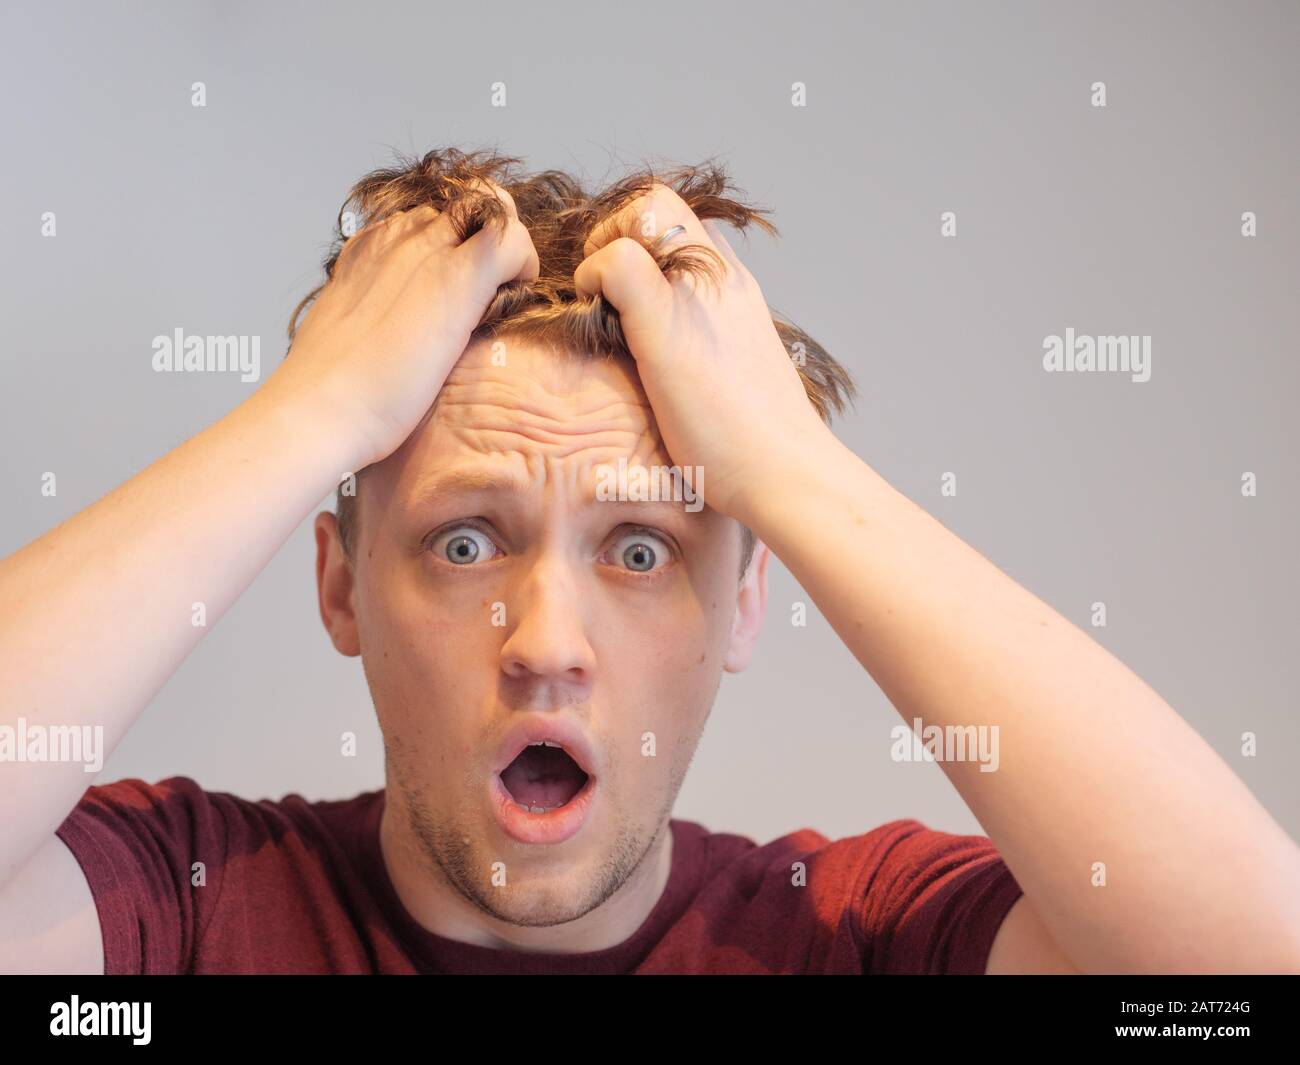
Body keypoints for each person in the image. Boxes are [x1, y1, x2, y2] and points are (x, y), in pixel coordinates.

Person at [1, 148, 1296, 975]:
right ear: (341, 584)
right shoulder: (181, 909)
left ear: (744, 601)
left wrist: (792, 472)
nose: (547, 639)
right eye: (466, 539)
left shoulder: (855, 936)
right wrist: (314, 412)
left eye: (639, 547)